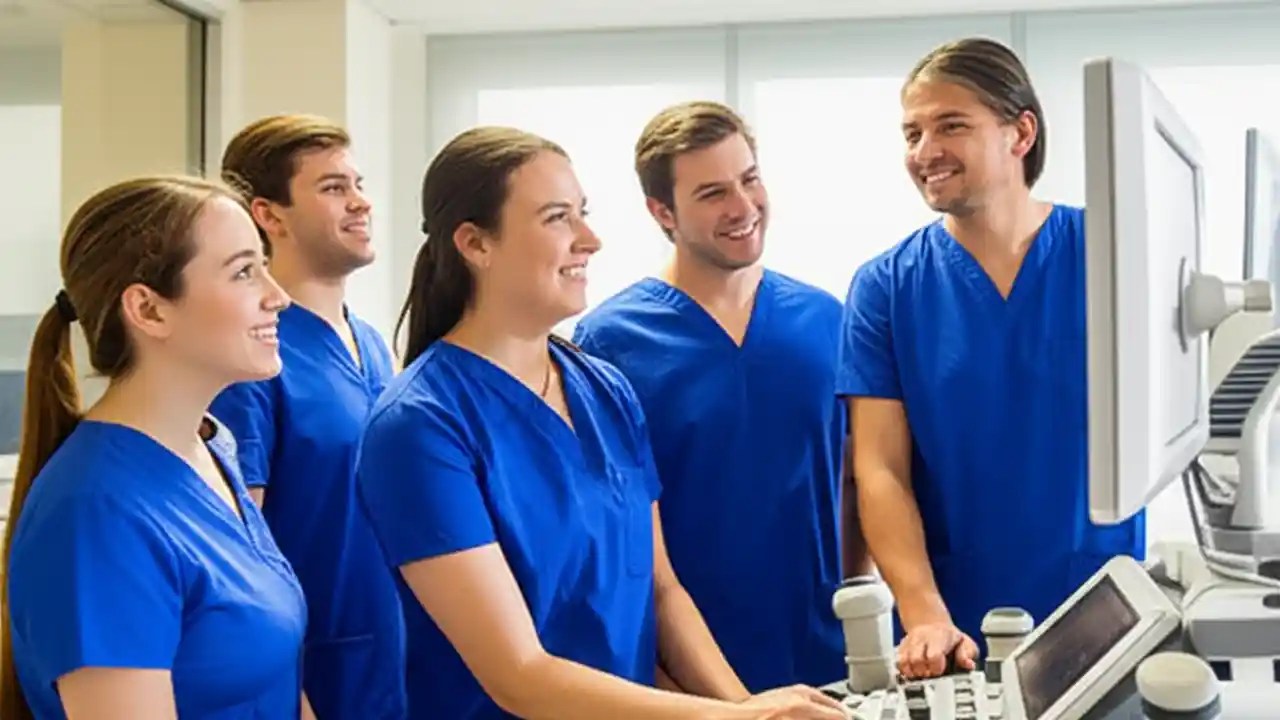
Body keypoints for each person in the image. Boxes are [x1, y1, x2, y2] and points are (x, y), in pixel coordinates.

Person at [355, 125, 846, 720]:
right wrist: (737, 719)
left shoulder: (604, 389)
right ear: (475, 243)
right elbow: (520, 675)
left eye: (582, 213)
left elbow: (663, 594)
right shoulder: (420, 426)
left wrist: (750, 705)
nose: (591, 239)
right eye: (558, 218)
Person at [838, 37, 1145, 680]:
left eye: (951, 125)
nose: (925, 152)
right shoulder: (886, 287)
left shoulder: (1114, 255)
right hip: (953, 635)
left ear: (1020, 132)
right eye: (912, 132)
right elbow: (880, 468)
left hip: (1105, 617)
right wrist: (923, 613)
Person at [571, 100, 869, 692]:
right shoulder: (607, 342)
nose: (742, 207)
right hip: (687, 676)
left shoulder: (824, 319)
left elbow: (853, 479)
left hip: (828, 660)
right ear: (662, 212)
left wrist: (856, 612)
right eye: (712, 193)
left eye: (749, 179)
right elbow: (612, 534)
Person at [1, 176, 310, 719]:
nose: (278, 296)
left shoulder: (213, 449)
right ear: (149, 311)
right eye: (244, 272)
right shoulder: (96, 515)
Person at [209, 114, 405, 719]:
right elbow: (241, 559)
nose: (360, 203)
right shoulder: (253, 359)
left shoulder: (372, 345)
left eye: (358, 183)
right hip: (316, 675)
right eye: (332, 188)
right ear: (269, 215)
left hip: (395, 663)